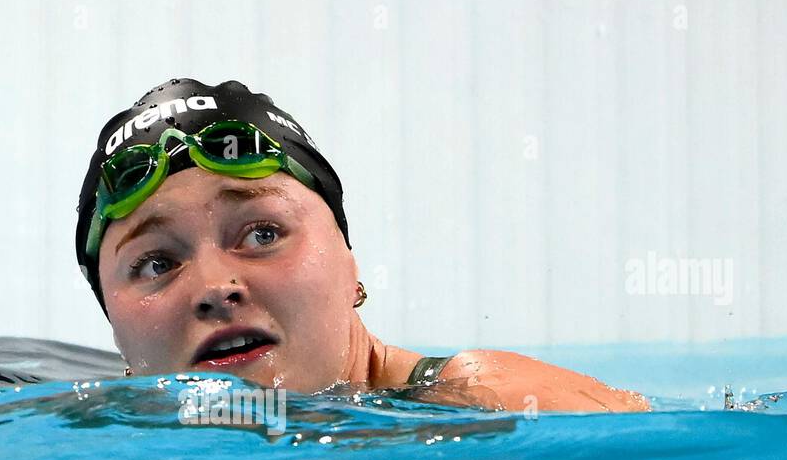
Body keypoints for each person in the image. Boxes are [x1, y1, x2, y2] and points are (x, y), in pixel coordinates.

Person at [75, 79, 649, 413]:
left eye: (262, 234)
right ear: (115, 328)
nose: (214, 289)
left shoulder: (492, 401)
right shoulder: (83, 430)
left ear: (350, 266)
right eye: (156, 263)